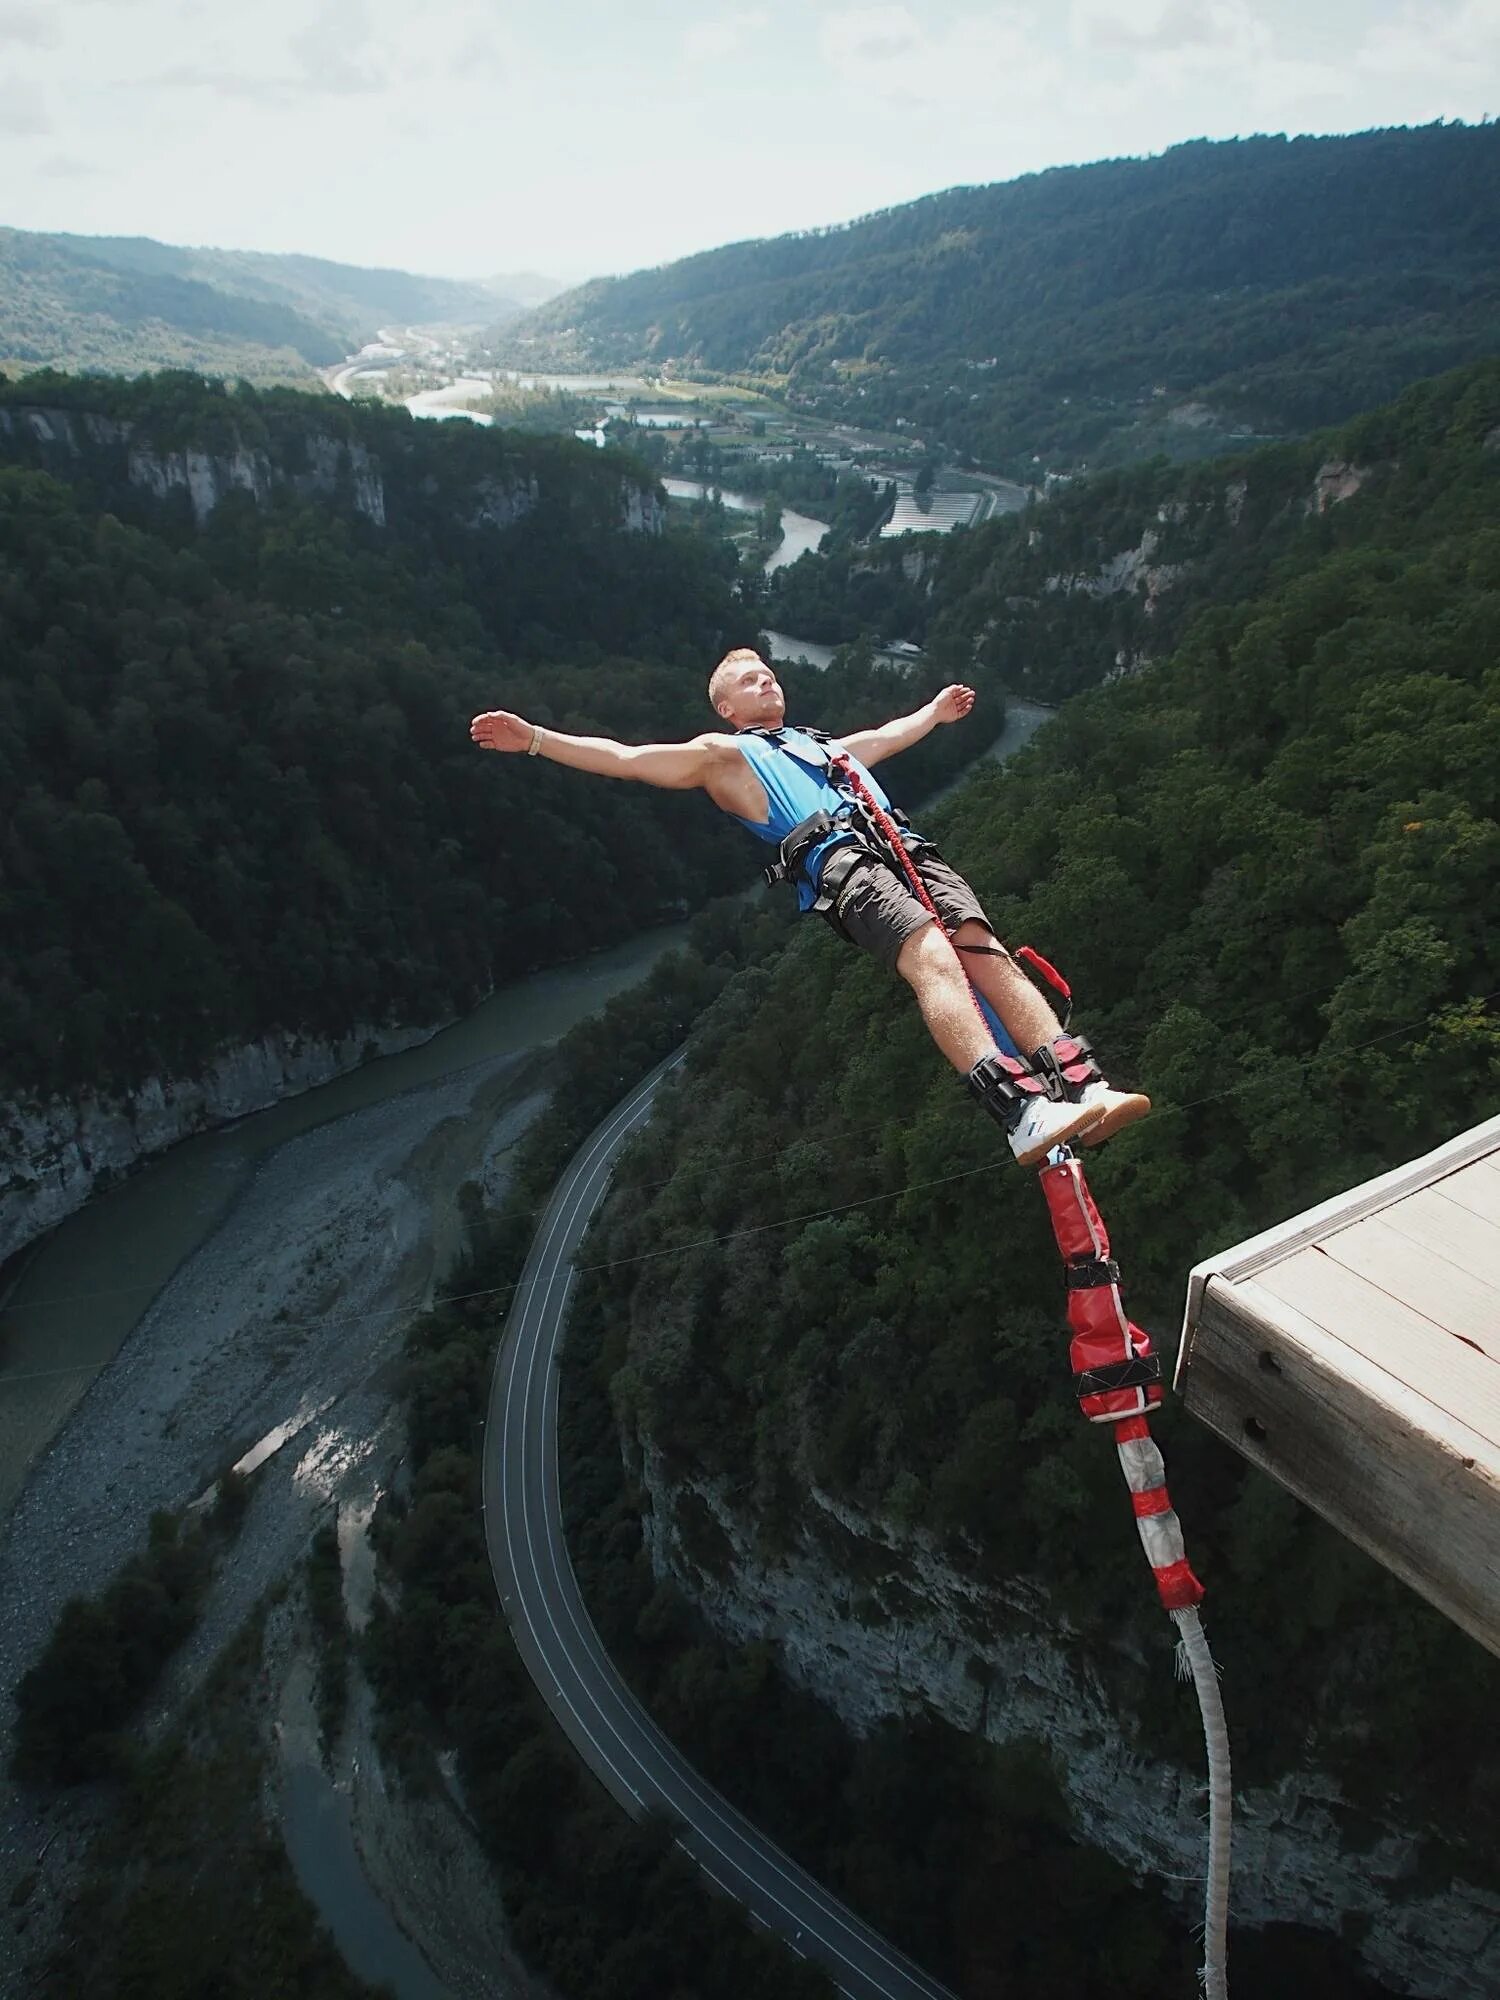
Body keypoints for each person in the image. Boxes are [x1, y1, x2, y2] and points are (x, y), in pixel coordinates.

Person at [470, 648, 1149, 1167]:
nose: (766, 681)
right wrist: (535, 739)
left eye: (769, 674)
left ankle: (1080, 1086)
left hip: (904, 845)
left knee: (983, 949)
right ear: (726, 709)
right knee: (934, 959)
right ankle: (1021, 1111)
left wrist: (935, 715)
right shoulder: (724, 756)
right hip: (844, 865)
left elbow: (889, 735)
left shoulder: (824, 746)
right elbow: (625, 757)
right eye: (749, 680)